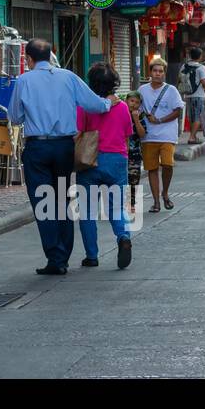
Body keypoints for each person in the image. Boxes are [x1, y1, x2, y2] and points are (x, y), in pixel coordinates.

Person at [8, 37, 116, 275]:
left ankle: (55, 258)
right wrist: (110, 104)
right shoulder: (68, 77)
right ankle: (63, 254)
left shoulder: (24, 81)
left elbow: (15, 117)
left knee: (42, 202)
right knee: (61, 200)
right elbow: (94, 105)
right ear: (51, 55)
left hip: (37, 147)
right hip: (64, 147)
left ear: (29, 59)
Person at [75, 63, 134, 270]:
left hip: (90, 160)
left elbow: (78, 133)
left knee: (87, 212)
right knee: (116, 207)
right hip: (117, 159)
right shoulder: (123, 107)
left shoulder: (85, 106)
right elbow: (127, 137)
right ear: (114, 83)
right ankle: (123, 236)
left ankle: (92, 255)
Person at [138, 57, 184, 213]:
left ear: (164, 73)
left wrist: (159, 120)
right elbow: (136, 106)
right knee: (151, 168)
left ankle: (165, 192)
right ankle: (156, 201)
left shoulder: (171, 90)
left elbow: (178, 111)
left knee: (167, 164)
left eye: (160, 71)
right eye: (154, 71)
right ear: (150, 72)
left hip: (167, 135)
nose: (157, 74)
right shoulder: (142, 90)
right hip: (148, 136)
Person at [179, 47, 205, 144]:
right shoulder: (201, 67)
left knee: (192, 117)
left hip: (188, 94)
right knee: (199, 116)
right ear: (200, 56)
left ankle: (194, 136)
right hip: (198, 95)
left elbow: (180, 79)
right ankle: (192, 137)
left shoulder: (184, 66)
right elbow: (203, 82)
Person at [124, 92, 146, 217]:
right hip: (121, 153)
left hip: (135, 154)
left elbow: (142, 134)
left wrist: (136, 120)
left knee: (134, 179)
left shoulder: (140, 117)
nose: (134, 104)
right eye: (132, 101)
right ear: (126, 101)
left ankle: (131, 203)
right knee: (122, 179)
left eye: (137, 103)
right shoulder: (120, 114)